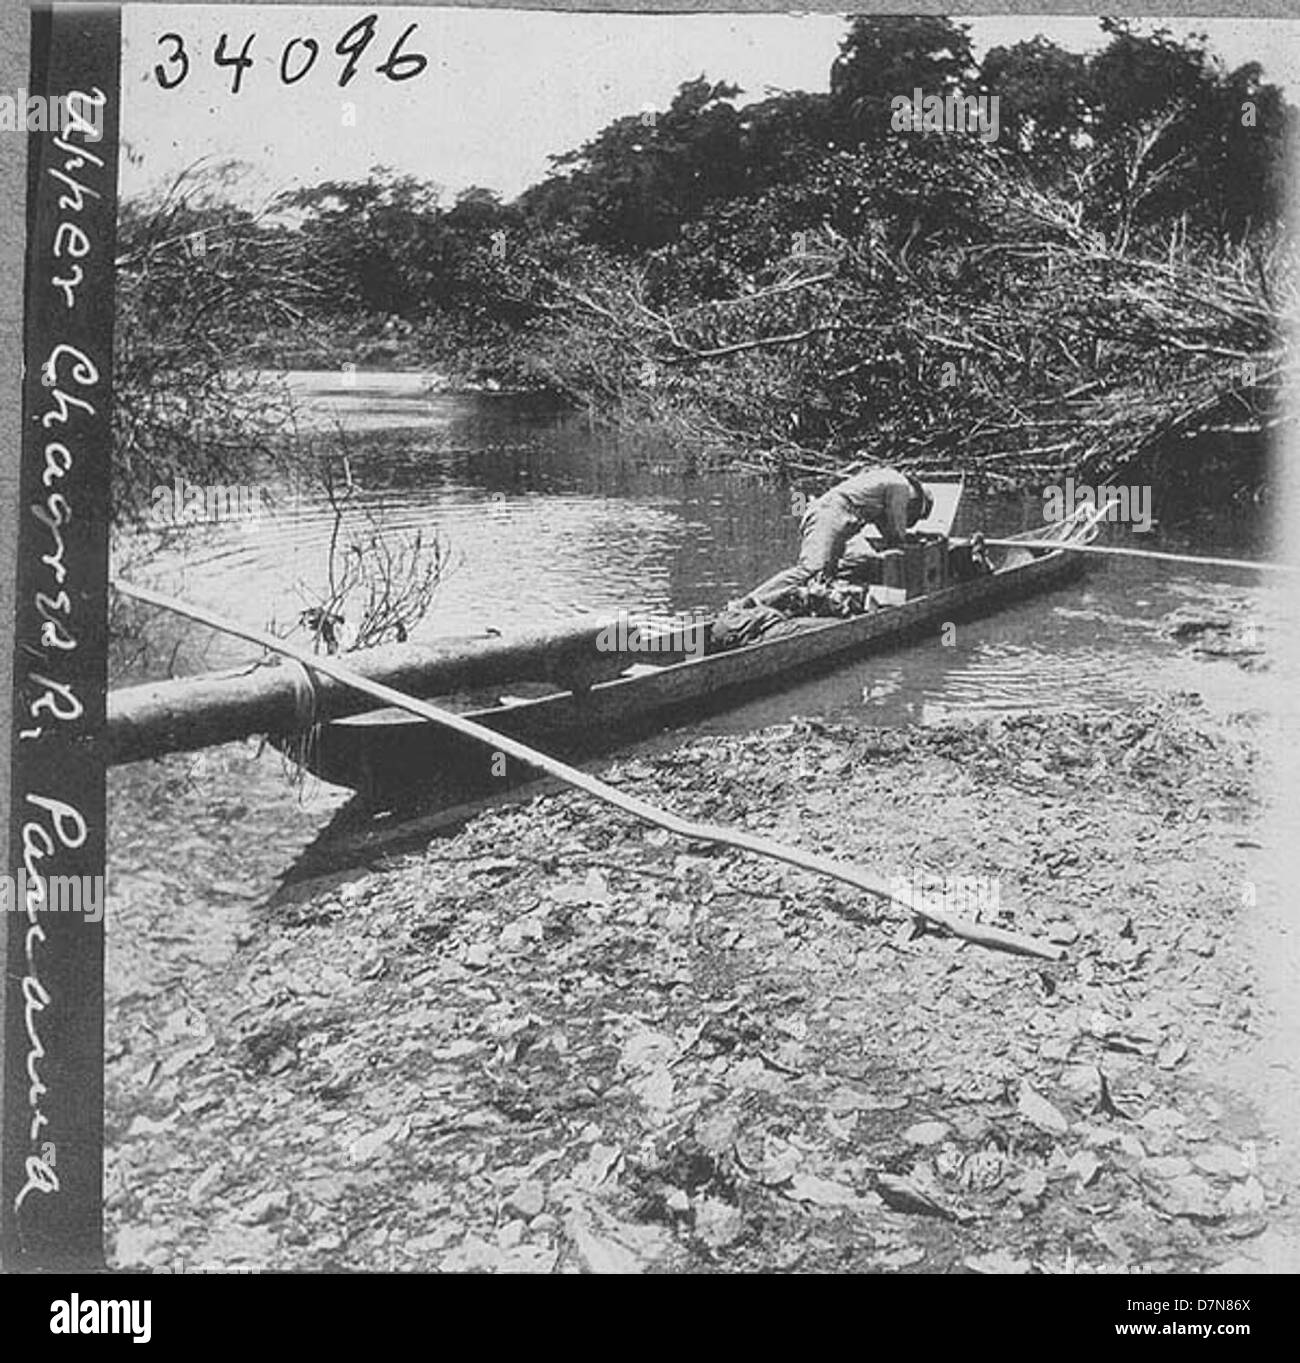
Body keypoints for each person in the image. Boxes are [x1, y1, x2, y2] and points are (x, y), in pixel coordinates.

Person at [744, 466, 933, 607]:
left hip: (836, 519)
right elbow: (896, 530)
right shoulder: (900, 485)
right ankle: (752, 601)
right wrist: (909, 543)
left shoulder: (885, 482)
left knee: (828, 576)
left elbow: (886, 527)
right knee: (812, 570)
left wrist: (898, 541)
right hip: (830, 515)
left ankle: (794, 603)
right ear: (916, 501)